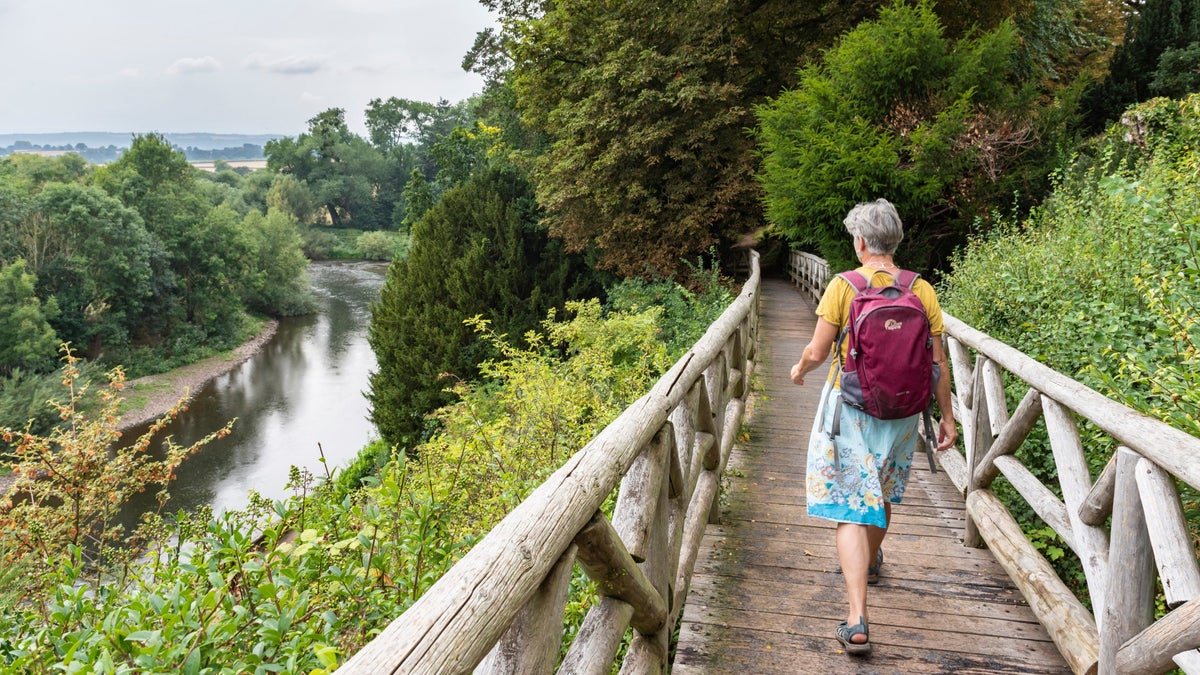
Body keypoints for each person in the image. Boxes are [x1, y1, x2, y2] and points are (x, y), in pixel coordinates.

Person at [789, 198, 957, 655]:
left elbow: (819, 350)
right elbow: (936, 363)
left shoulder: (845, 285)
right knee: (880, 495)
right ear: (895, 240)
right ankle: (873, 557)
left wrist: (800, 369)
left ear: (861, 242)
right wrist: (946, 416)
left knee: (848, 506)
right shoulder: (921, 290)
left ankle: (857, 618)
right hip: (903, 413)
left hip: (850, 407)